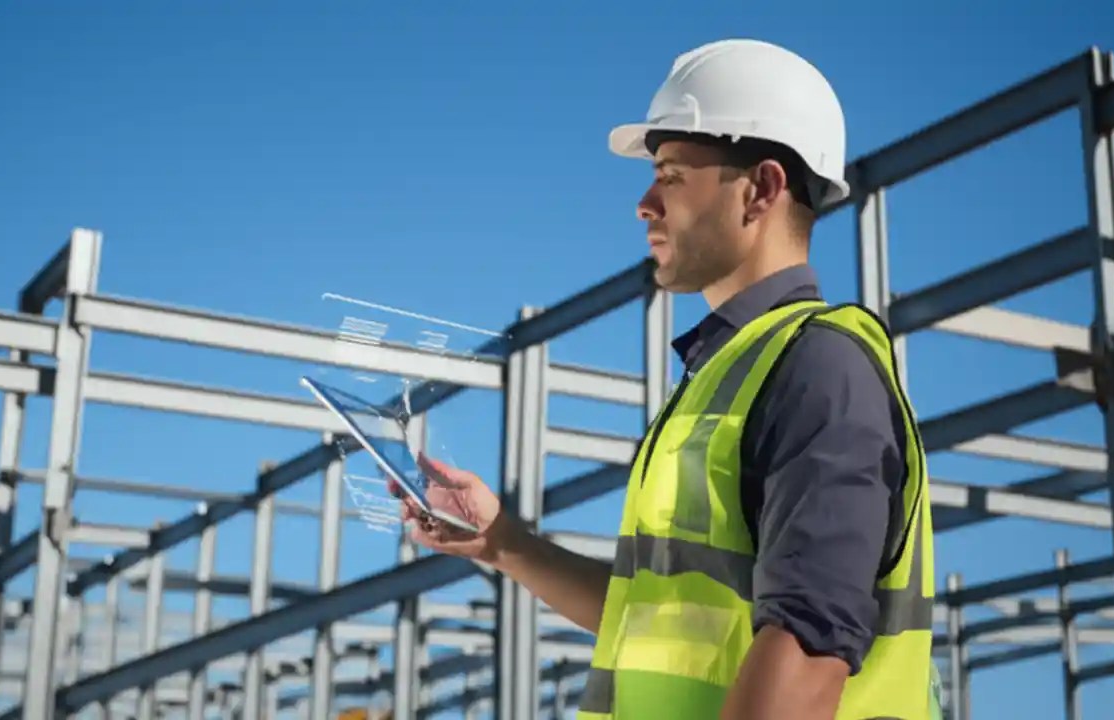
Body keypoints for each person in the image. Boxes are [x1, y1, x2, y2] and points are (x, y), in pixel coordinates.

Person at [393, 39, 939, 719]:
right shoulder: (729, 372)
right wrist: (502, 542)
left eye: (672, 176)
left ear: (761, 189)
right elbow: (653, 624)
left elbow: (806, 648)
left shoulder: (821, 367)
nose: (645, 204)